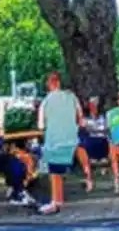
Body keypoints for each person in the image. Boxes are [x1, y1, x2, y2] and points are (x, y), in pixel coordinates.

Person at [37, 72, 82, 215]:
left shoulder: (46, 101)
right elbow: (80, 119)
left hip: (55, 142)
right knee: (59, 169)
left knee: (53, 171)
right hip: (72, 142)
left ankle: (55, 201)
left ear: (50, 84)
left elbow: (41, 126)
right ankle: (59, 199)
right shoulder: (72, 97)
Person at [74, 97, 105, 192]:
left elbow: (105, 129)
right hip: (89, 142)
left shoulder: (104, 116)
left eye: (95, 104)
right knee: (80, 148)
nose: (93, 106)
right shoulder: (84, 118)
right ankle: (89, 179)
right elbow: (80, 127)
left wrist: (90, 128)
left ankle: (90, 175)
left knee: (82, 144)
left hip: (103, 142)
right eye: (91, 104)